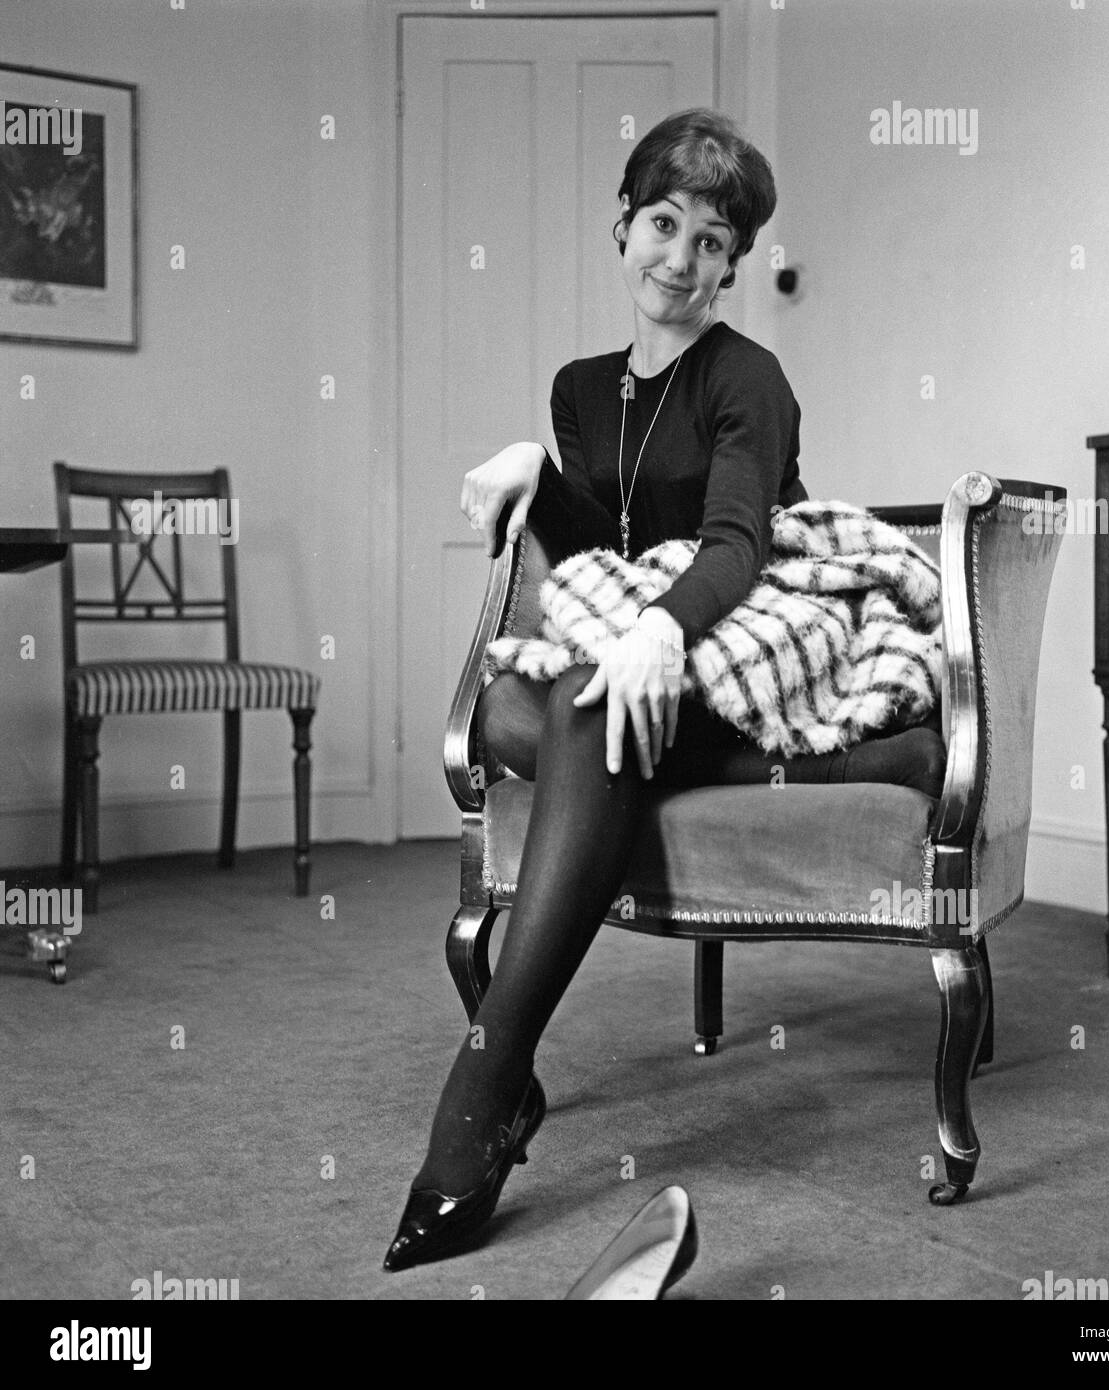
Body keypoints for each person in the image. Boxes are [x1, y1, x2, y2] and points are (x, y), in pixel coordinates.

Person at [383, 109, 944, 1272]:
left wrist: (655, 634)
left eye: (710, 239)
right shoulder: (582, 389)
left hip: (747, 638)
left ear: (736, 261)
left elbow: (737, 545)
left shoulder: (750, 376)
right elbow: (606, 537)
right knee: (498, 711)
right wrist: (536, 473)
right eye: (661, 225)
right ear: (622, 228)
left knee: (580, 714)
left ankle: (483, 1094)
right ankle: (867, 762)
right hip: (643, 656)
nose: (679, 259)